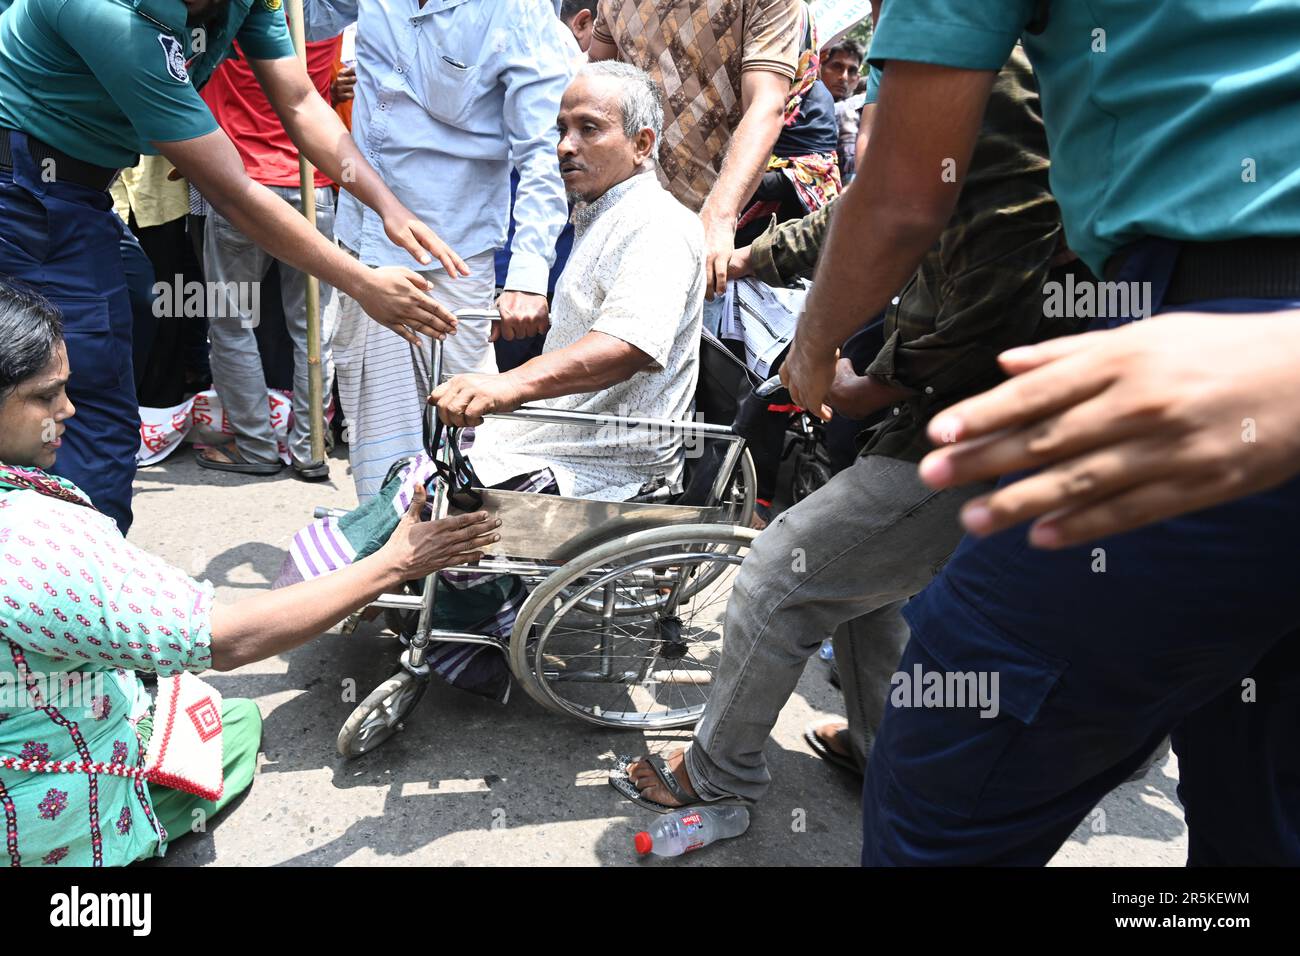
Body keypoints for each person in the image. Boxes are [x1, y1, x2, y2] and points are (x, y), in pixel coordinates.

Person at [782, 0, 1300, 866]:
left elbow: (901, 202)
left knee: (943, 768)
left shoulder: (1000, 181)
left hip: (1179, 353)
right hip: (1174, 347)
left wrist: (822, 353)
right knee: (1254, 794)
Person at [612, 43, 1091, 811]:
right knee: (862, 587)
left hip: (993, 404)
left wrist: (877, 378)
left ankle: (717, 774)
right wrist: (741, 261)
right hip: (945, 389)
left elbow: (1006, 250)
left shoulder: (984, 62)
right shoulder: (935, 48)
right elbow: (868, 204)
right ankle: (881, 752)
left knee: (780, 573)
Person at [0, 282, 500, 867]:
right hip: (35, 812)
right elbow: (228, 638)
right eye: (46, 395)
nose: (68, 410)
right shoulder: (36, 544)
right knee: (233, 723)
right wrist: (396, 562)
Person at [0, 0, 464, 534]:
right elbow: (233, 191)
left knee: (125, 337)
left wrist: (389, 205)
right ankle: (70, 584)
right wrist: (361, 284)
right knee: (82, 403)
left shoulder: (246, 2)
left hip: (75, 195)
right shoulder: (106, 13)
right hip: (27, 200)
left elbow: (298, 100)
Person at [302, 0, 575, 501]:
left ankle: (455, 568)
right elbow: (305, 18)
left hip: (451, 259)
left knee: (462, 439)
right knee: (377, 442)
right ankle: (391, 555)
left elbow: (542, 153)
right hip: (361, 241)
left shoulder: (518, 11)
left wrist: (528, 276)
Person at [431, 61, 704, 504]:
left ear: (642, 143)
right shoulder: (603, 215)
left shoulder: (659, 225)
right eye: (562, 129)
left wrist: (507, 385)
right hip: (557, 436)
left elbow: (625, 347)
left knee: (426, 506)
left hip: (603, 463)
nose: (564, 146)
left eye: (588, 129)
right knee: (414, 477)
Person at [195, 29, 345, 480]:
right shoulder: (323, 27)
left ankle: (257, 446)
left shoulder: (230, 23)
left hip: (242, 186)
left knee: (230, 320)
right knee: (313, 326)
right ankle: (310, 447)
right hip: (308, 187)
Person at [588, 0, 805, 301]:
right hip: (618, 217)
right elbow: (596, 80)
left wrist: (719, 216)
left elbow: (766, 104)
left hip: (707, 229)